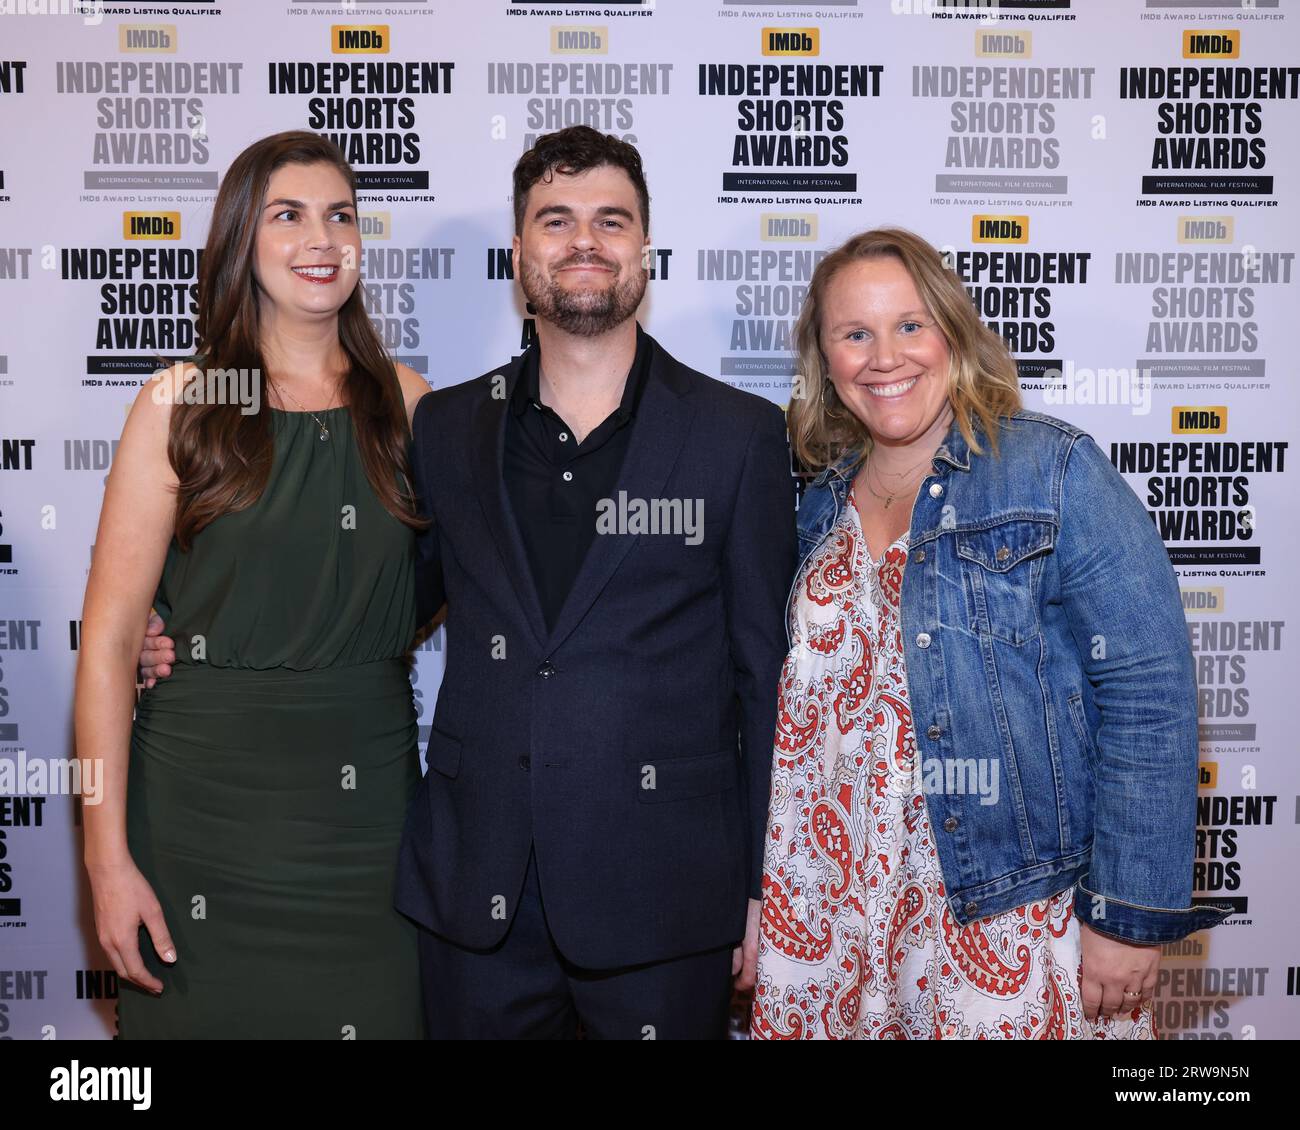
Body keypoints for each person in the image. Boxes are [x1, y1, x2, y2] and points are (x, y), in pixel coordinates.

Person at [750, 228, 1233, 1040]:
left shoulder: (1053, 471)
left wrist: (1127, 914)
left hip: (1004, 911)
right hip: (834, 916)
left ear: (952, 332)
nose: (884, 356)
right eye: (855, 333)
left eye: (910, 325)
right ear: (824, 361)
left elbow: (1151, 695)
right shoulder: (817, 507)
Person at [393, 126, 795, 1038]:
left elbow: (765, 677)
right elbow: (389, 612)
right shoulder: (448, 427)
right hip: (476, 895)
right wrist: (182, 630)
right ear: (519, 252)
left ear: (645, 247)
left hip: (668, 899)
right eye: (557, 220)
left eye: (612, 221)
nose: (585, 241)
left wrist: (764, 887)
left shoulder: (737, 434)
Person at [80, 130, 432, 1038]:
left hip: (367, 827)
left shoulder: (410, 407)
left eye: (340, 216)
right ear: (243, 237)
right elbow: (110, 643)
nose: (321, 239)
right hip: (197, 820)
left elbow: (468, 582)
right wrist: (106, 864)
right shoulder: (179, 405)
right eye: (288, 216)